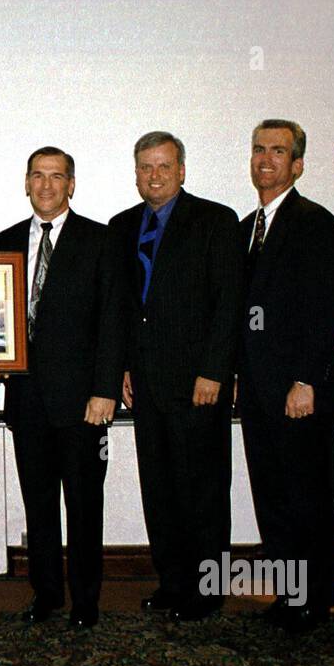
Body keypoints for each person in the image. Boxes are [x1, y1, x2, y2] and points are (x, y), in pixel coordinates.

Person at [109, 132, 244, 622]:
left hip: (197, 384)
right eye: (145, 167)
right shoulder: (122, 227)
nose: (155, 175)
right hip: (145, 383)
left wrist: (215, 371)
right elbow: (122, 306)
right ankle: (172, 582)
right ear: (136, 171)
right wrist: (122, 364)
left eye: (164, 166)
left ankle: (207, 591)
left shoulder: (215, 220)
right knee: (160, 489)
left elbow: (229, 302)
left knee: (203, 491)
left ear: (182, 170)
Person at [0, 147, 121, 628]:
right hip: (25, 401)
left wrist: (105, 389)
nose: (46, 185)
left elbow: (113, 319)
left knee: (85, 507)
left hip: (84, 403)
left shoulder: (100, 240)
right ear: (25, 183)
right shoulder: (3, 242)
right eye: (37, 176)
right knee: (39, 507)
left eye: (57, 177)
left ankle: (86, 602)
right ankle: (46, 597)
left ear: (71, 184)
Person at [236, 120, 334, 633]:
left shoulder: (313, 222)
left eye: (278, 151)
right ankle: (289, 593)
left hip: (301, 391)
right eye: (259, 149)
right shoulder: (246, 227)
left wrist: (306, 380)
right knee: (272, 498)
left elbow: (323, 310)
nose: (266, 159)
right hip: (258, 393)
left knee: (307, 498)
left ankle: (315, 601)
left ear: (297, 165)